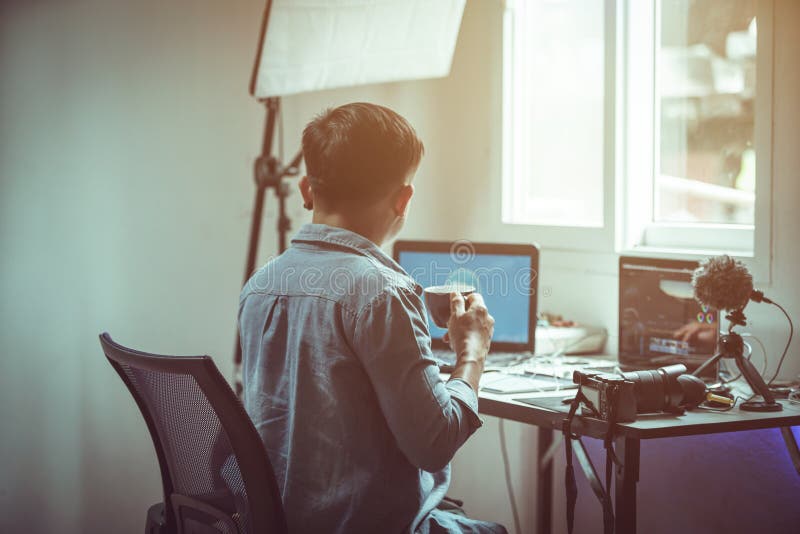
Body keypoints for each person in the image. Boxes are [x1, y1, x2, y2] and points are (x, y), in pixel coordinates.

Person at [239, 102, 504, 533]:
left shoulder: (258, 287)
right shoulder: (384, 294)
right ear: (403, 199)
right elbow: (434, 444)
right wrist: (471, 352)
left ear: (306, 190)